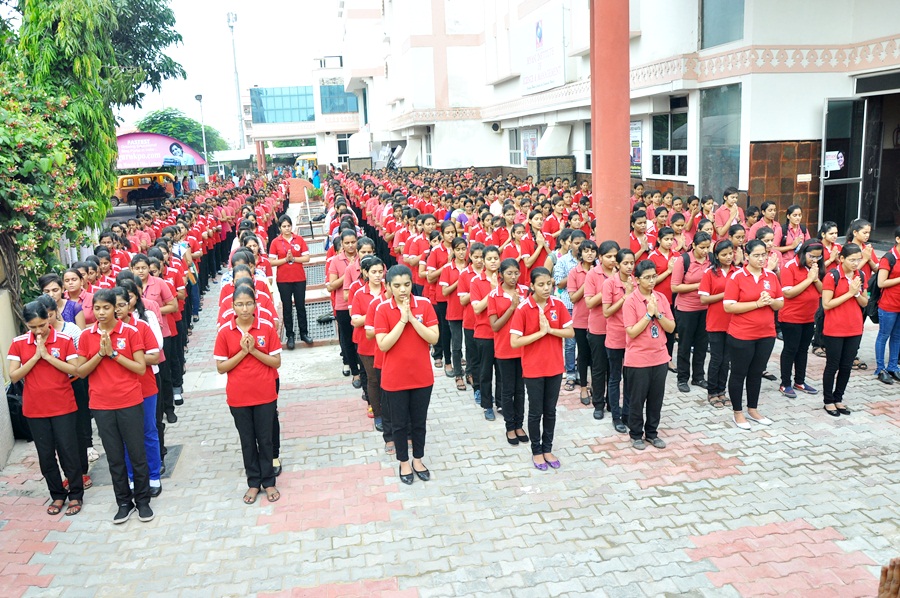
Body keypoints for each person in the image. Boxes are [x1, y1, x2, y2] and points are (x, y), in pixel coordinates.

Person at [75, 289, 153, 524]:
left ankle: (143, 501)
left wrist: (114, 354)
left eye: (106, 308)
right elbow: (81, 371)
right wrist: (101, 354)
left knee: (137, 454)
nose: (101, 312)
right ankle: (123, 502)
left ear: (115, 309)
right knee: (115, 457)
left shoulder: (130, 332)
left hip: (129, 401)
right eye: (97, 308)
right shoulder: (86, 335)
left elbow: (140, 368)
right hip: (101, 405)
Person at [7, 300, 84, 517]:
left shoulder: (64, 339)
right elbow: (14, 376)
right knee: (46, 455)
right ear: (26, 325)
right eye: (33, 327)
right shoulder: (18, 343)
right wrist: (35, 357)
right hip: (35, 409)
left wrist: (48, 357)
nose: (39, 331)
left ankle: (76, 494)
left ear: (49, 318)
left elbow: (75, 370)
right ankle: (57, 494)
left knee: (68, 451)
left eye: (42, 325)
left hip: (63, 405)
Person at [213, 284, 282, 503]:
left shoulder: (266, 328)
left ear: (256, 305)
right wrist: (243, 352)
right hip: (238, 396)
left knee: (265, 439)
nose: (244, 309)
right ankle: (253, 482)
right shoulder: (225, 332)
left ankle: (269, 482)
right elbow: (221, 367)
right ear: (232, 306)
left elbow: (276, 362)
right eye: (240, 304)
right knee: (247, 440)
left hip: (264, 393)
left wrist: (253, 350)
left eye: (249, 303)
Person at [374, 265, 439, 485]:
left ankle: (418, 459)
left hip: (421, 376)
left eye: (407, 284)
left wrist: (412, 319)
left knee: (419, 422)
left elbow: (433, 338)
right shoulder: (383, 309)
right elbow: (383, 344)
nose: (403, 290)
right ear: (388, 287)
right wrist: (402, 320)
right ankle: (403, 462)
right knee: (399, 424)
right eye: (397, 285)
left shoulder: (424, 304)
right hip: (395, 378)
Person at [510, 267, 574, 470]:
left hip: (554, 367)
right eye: (541, 285)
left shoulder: (558, 304)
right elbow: (514, 342)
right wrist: (540, 333)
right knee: (536, 411)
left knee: (550, 410)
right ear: (532, 286)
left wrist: (550, 330)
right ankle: (536, 451)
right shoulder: (523, 308)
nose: (546, 288)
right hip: (533, 369)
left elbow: (570, 332)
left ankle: (548, 448)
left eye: (548, 284)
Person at [723, 239, 783, 430]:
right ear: (747, 256)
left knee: (756, 372)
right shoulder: (737, 277)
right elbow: (729, 306)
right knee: (739, 373)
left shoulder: (771, 276)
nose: (761, 259)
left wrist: (770, 301)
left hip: (766, 333)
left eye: (764, 255)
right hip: (742, 334)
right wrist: (757, 304)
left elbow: (780, 303)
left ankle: (753, 409)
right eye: (756, 255)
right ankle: (737, 412)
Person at [113, 283, 164, 498]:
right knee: (126, 436)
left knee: (148, 431)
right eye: (113, 306)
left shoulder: (141, 326)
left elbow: (154, 356)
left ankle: (153, 476)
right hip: (119, 390)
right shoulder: (106, 331)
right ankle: (133, 478)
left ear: (130, 305)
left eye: (121, 304)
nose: (117, 309)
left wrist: (127, 356)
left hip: (145, 386)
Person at [623, 260, 676, 450]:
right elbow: (631, 331)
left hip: (660, 357)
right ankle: (636, 434)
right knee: (637, 400)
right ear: (637, 280)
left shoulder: (660, 298)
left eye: (654, 276)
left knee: (656, 399)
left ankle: (652, 433)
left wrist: (658, 314)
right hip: (638, 359)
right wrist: (648, 315)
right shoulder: (630, 301)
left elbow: (671, 327)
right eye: (647, 277)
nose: (652, 281)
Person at [821, 244, 868, 417]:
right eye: (852, 260)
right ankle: (828, 400)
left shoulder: (860, 275)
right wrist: (849, 293)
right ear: (842, 259)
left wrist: (856, 294)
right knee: (832, 365)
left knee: (847, 366)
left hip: (854, 327)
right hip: (835, 328)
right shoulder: (832, 276)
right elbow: (826, 304)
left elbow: (865, 302)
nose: (855, 263)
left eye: (858, 260)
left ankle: (838, 398)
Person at [488, 259, 530, 446]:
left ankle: (519, 424)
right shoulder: (494, 295)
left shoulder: (525, 291)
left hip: (523, 348)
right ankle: (510, 426)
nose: (513, 277)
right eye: (509, 273)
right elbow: (495, 326)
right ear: (501, 275)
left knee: (520, 389)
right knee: (507, 390)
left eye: (516, 273)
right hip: (504, 348)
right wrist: (512, 307)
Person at [778, 240, 823, 398]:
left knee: (803, 350)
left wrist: (815, 278)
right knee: (791, 349)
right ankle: (785, 383)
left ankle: (800, 381)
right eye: (812, 256)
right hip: (791, 317)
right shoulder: (789, 266)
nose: (815, 260)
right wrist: (809, 279)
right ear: (803, 253)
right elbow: (788, 292)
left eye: (818, 257)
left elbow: (823, 290)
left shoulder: (814, 268)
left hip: (809, 317)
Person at [671, 231, 712, 392]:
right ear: (693, 245)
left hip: (705, 307)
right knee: (685, 345)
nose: (705, 251)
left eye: (707, 247)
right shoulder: (684, 260)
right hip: (686, 309)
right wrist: (698, 286)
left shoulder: (711, 259)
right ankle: (682, 378)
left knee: (702, 345)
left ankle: (698, 376)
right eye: (702, 247)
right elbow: (675, 287)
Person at [699, 240, 737, 408]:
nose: (728, 257)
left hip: (733, 321)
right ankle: (712, 391)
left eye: (730, 253)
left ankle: (722, 391)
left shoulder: (738, 272)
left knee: (727, 359)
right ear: (716, 256)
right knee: (716, 358)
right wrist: (725, 294)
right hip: (715, 321)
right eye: (724, 254)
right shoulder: (710, 273)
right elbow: (703, 299)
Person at [583, 240, 618, 420]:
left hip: (617, 329)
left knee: (614, 369)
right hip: (598, 328)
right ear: (600, 257)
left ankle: (612, 402)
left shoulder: (622, 273)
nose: (612, 260)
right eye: (608, 256)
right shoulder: (592, 274)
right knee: (598, 368)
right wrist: (608, 286)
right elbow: (589, 302)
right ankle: (598, 403)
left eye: (615, 256)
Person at [350, 256, 387, 428]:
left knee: (387, 378)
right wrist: (376, 314)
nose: (378, 275)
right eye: (374, 272)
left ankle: (389, 410)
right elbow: (356, 320)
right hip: (366, 342)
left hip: (386, 340)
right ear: (366, 273)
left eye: (380, 272)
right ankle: (378, 413)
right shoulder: (359, 293)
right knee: (373, 379)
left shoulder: (388, 290)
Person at [602, 249, 635, 434]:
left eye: (632, 263)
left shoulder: (636, 281)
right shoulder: (609, 283)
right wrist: (625, 296)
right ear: (618, 264)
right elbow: (606, 312)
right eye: (625, 263)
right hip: (615, 336)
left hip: (633, 336)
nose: (629, 266)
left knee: (630, 378)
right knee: (615, 377)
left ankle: (627, 414)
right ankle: (616, 415)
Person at [269, 215, 312, 348]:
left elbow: (307, 258)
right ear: (280, 228)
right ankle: (290, 335)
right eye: (284, 226)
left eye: (288, 226)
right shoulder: (275, 242)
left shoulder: (299, 239)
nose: (287, 228)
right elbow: (271, 262)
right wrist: (285, 260)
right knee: (287, 308)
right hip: (283, 280)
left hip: (299, 278)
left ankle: (304, 333)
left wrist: (293, 259)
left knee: (300, 306)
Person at [470, 245, 503, 420]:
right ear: (483, 261)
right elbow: (477, 308)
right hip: (484, 333)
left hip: (502, 333)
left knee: (502, 371)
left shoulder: (505, 278)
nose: (493, 262)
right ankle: (487, 405)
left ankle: (501, 402)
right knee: (485, 372)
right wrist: (493, 290)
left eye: (496, 258)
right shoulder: (476, 281)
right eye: (489, 259)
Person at [440, 237, 470, 391]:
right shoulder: (447, 268)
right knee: (457, 345)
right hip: (454, 310)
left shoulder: (471, 267)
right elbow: (444, 291)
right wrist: (460, 281)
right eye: (458, 249)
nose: (461, 252)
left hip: (469, 311)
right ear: (453, 250)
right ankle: (458, 374)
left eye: (463, 249)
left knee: (470, 345)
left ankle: (469, 372)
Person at [875, 226, 900, 384]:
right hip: (888, 304)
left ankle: (893, 367)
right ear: (897, 239)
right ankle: (880, 368)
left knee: (897, 336)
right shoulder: (889, 258)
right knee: (884, 335)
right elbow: (881, 282)